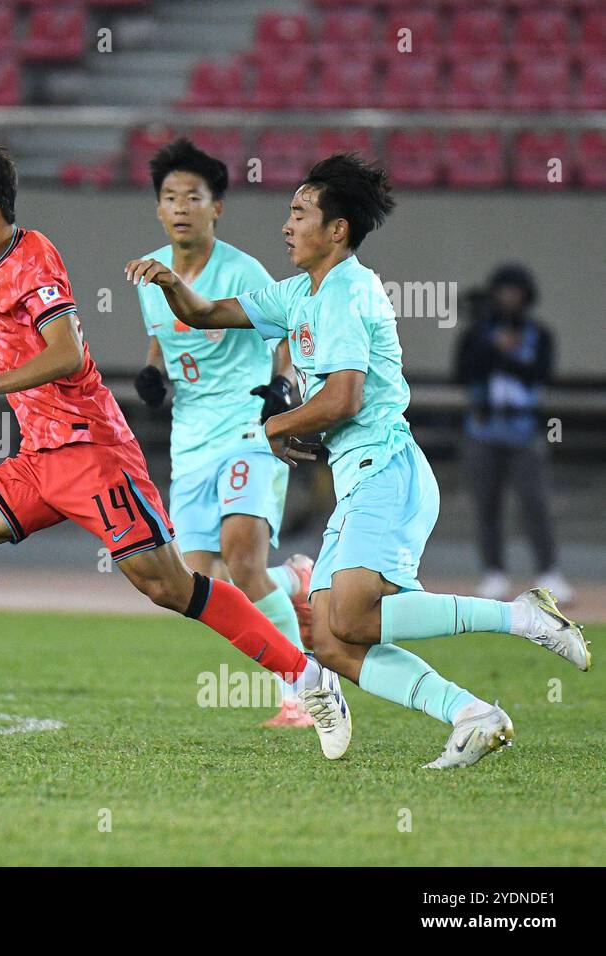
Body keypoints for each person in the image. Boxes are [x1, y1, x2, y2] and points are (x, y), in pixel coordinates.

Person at [0, 143, 351, 756]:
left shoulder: (32, 259)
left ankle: (310, 680)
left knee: (175, 588)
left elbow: (67, 355)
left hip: (92, 454)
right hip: (39, 457)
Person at [126, 154, 591, 769]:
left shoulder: (347, 290)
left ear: (337, 228)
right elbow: (208, 314)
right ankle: (472, 714)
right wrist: (168, 283)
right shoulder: (300, 292)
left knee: (351, 616)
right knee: (329, 639)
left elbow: (345, 397)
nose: (286, 226)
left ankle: (519, 615)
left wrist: (273, 427)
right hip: (359, 479)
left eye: (299, 213)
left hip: (387, 470)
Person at [131, 138, 316, 728]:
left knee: (241, 558)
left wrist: (283, 388)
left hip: (245, 430)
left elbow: (284, 337)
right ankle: (297, 580)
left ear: (217, 208)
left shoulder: (242, 271)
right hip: (190, 444)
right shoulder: (149, 275)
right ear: (159, 209)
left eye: (194, 196)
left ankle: (302, 692)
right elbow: (162, 337)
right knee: (202, 581)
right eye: (169, 196)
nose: (180, 206)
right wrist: (155, 375)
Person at [453, 264, 568, 602]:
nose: (509, 298)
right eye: (503, 291)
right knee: (486, 504)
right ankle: (494, 572)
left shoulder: (539, 335)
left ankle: (549, 571)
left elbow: (541, 374)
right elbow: (463, 372)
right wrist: (493, 347)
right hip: (483, 428)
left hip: (525, 428)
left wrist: (507, 355)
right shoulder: (477, 334)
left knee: (535, 503)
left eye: (515, 291)